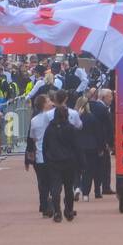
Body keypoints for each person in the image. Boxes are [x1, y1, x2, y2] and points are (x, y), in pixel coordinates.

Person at [41, 90, 82, 222]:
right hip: (68, 161)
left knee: (55, 187)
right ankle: (68, 210)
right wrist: (79, 161)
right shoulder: (71, 129)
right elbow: (76, 146)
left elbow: (45, 145)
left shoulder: (50, 128)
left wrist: (46, 159)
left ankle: (57, 211)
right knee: (68, 187)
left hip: (53, 161)